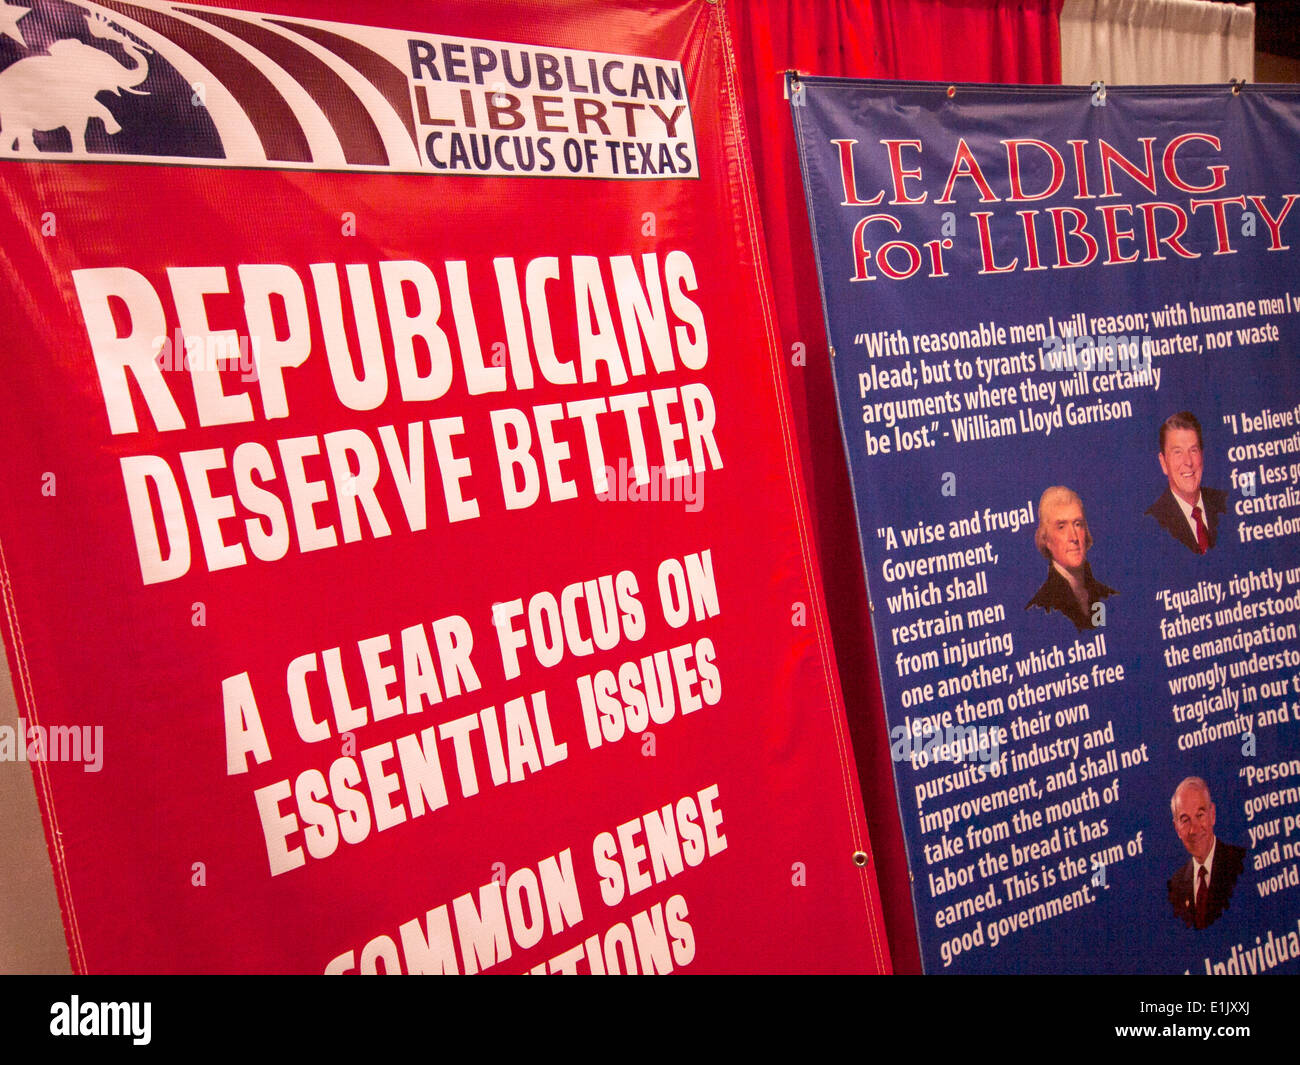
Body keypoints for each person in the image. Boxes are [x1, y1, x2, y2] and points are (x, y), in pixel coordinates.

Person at [1025, 486, 1115, 631]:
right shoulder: (1041, 609)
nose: (1073, 537)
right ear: (1046, 539)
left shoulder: (1108, 596)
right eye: (1061, 527)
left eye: (1078, 524)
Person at [1167, 776, 1245, 930]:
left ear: (1213, 815)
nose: (1194, 829)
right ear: (1177, 828)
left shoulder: (1240, 863)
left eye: (1200, 815)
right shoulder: (1175, 887)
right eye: (1185, 819)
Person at [1146, 411, 1227, 554]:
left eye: (1193, 450)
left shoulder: (1226, 504)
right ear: (1163, 463)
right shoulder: (1152, 523)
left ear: (1202, 455)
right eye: (1178, 452)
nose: (1188, 462)